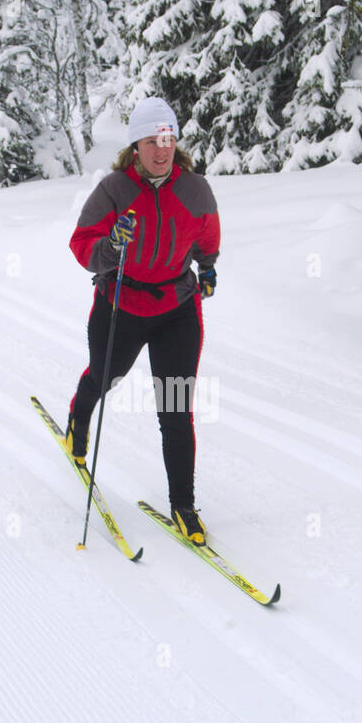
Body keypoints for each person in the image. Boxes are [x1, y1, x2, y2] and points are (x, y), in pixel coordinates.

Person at [66, 97, 220, 544]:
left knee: (175, 407)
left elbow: (207, 235)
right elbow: (82, 245)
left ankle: (183, 506)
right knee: (104, 376)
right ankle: (79, 417)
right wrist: (111, 246)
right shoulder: (114, 190)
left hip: (176, 308)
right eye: (151, 141)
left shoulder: (195, 190)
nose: (161, 150)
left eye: (167, 139)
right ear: (136, 146)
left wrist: (207, 269)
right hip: (121, 305)